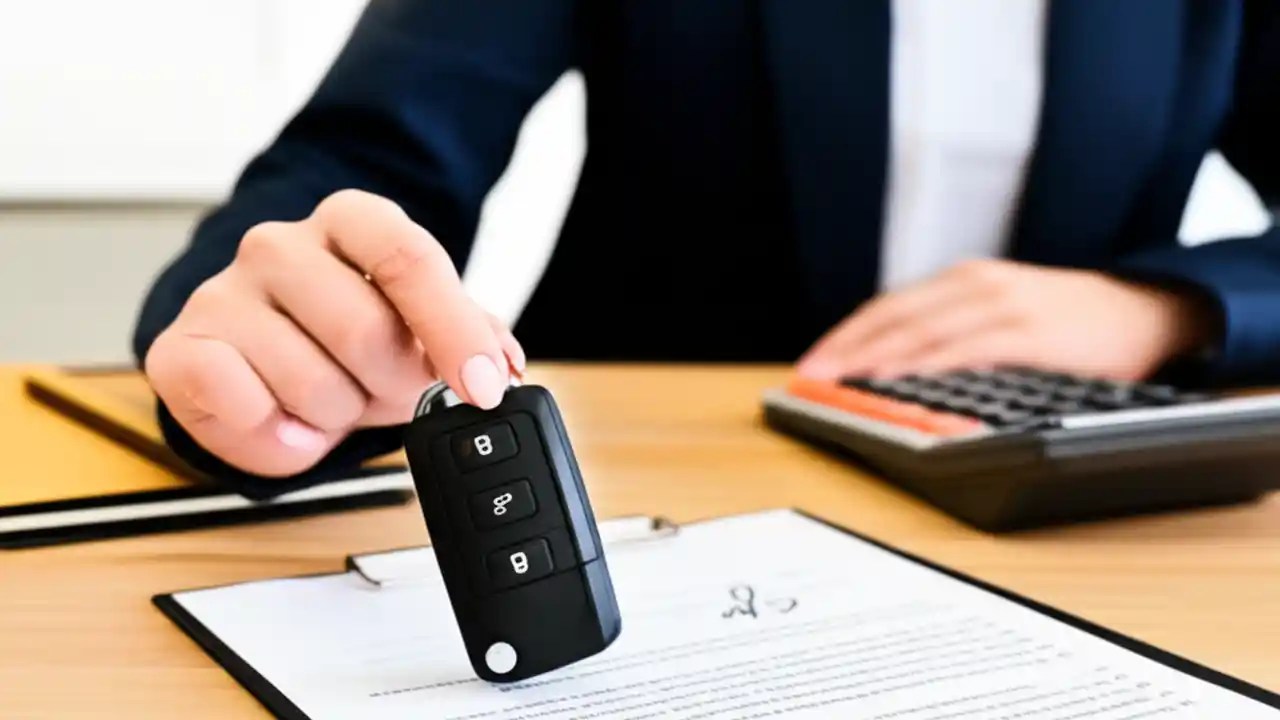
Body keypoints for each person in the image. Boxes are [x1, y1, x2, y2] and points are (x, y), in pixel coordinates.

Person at [134, 1, 1279, 495]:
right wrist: (266, 346)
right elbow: (362, 158)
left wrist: (1164, 307)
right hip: (644, 490)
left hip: (1071, 509)